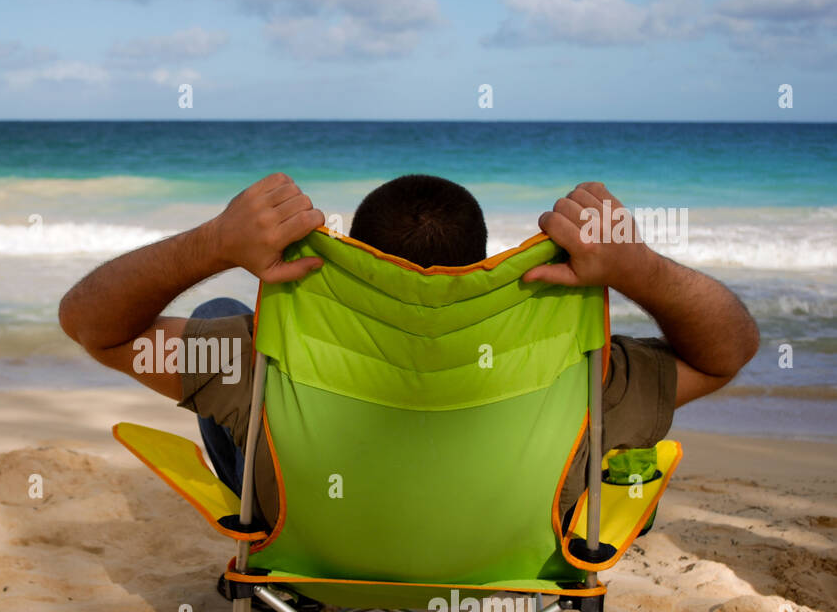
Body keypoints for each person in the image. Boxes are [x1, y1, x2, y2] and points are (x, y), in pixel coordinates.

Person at [59, 172, 759, 574]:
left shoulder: (255, 355)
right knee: (614, 433)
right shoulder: (587, 367)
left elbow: (92, 324)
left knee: (218, 312)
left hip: (313, 548)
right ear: (476, 268)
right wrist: (640, 269)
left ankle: (292, 564)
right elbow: (728, 350)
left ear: (354, 264)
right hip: (516, 569)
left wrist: (214, 242)